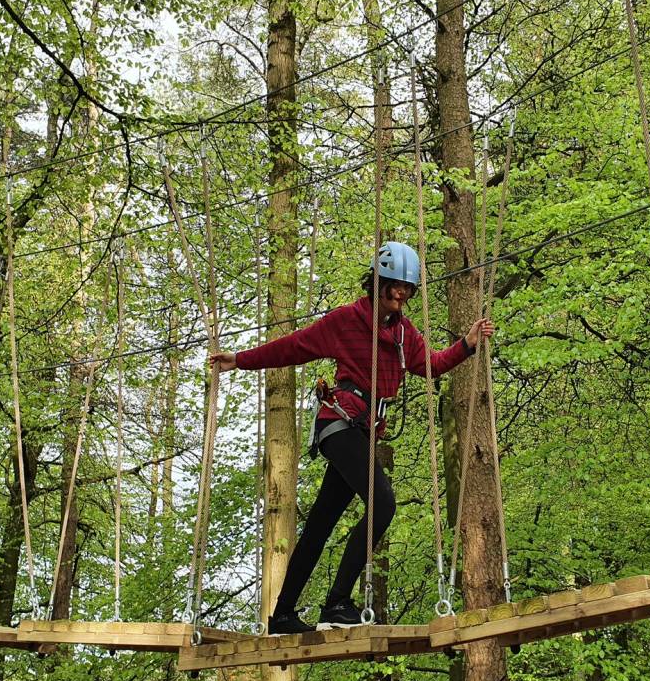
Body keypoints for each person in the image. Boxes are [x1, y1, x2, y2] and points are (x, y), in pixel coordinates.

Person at [209, 242, 494, 633]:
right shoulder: (346, 321)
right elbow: (293, 347)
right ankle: (337, 602)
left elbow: (430, 366)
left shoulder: (404, 334)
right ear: (377, 283)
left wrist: (466, 345)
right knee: (383, 503)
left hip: (362, 432)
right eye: (394, 285)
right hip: (339, 423)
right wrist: (239, 360)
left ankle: (283, 615)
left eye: (407, 289)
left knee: (321, 523)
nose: (401, 294)